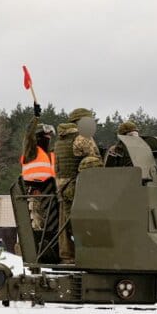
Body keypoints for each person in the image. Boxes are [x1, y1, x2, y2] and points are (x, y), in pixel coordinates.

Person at [54, 108, 102, 263]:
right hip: (78, 186)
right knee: (83, 221)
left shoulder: (61, 140)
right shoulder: (82, 138)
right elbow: (95, 160)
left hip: (62, 186)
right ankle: (88, 254)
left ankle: (67, 256)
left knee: (65, 222)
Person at [20, 102, 56, 230]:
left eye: (49, 137)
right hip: (35, 194)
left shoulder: (50, 155)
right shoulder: (32, 151)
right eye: (45, 137)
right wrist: (35, 117)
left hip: (52, 197)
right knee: (38, 226)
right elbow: (28, 135)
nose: (48, 139)